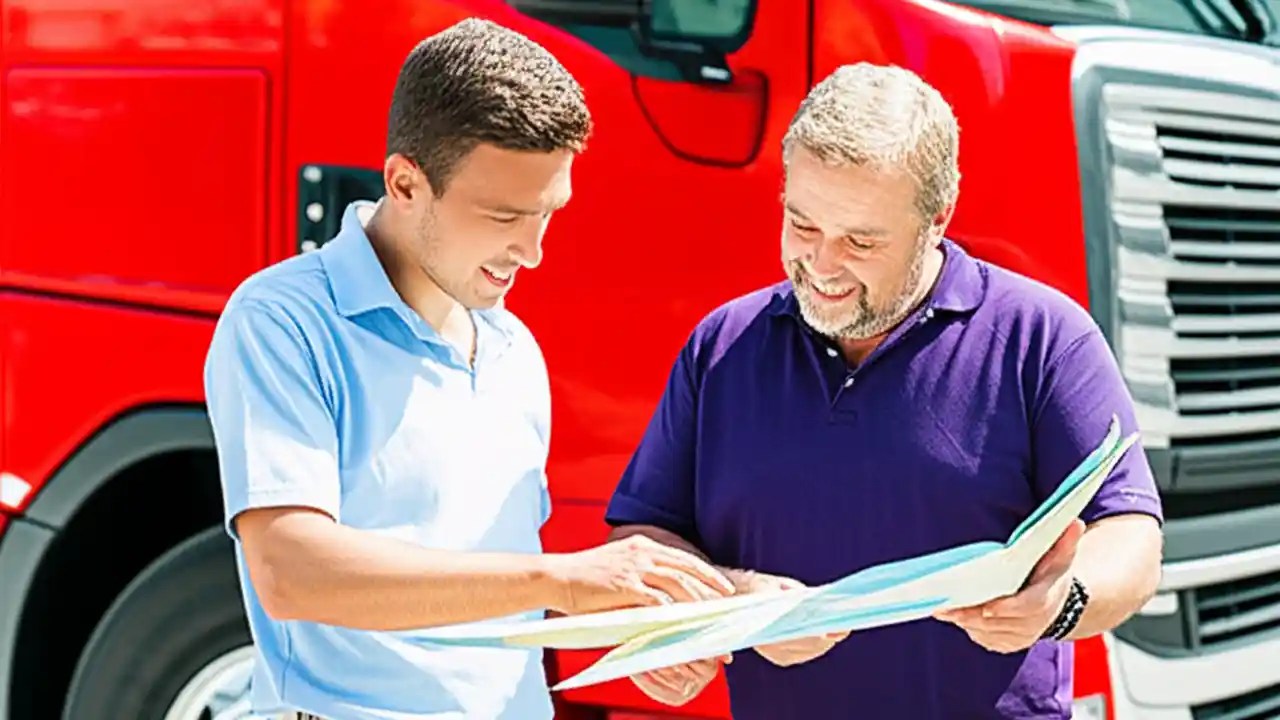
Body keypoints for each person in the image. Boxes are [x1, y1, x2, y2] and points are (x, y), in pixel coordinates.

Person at [203, 18, 734, 720]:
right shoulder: (283, 321)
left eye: (548, 213)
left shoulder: (513, 349)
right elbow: (291, 571)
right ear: (405, 183)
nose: (534, 251)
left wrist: (658, 622)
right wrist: (564, 579)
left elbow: (497, 594)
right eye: (504, 215)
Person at [604, 62, 1165, 718]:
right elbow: (641, 536)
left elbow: (1129, 534)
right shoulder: (722, 345)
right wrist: (716, 603)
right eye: (802, 225)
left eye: (861, 241)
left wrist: (1061, 602)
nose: (822, 265)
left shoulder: (1043, 337)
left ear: (938, 216)